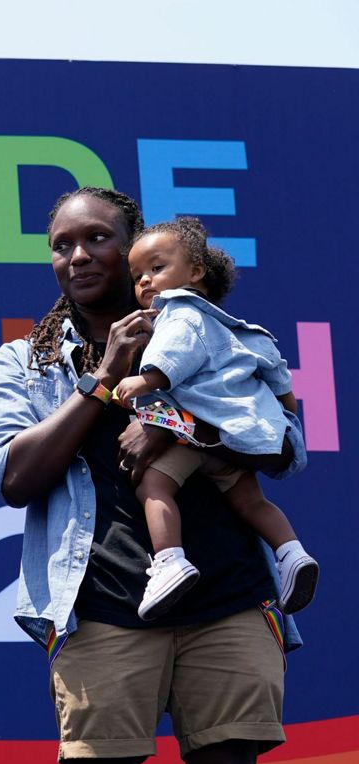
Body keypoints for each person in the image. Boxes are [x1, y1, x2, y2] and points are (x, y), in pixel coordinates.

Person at [0, 187, 305, 764]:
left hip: (228, 600)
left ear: (134, 252)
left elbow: (286, 446)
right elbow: (14, 479)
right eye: (62, 245)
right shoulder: (26, 361)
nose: (78, 256)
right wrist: (105, 377)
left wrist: (188, 430)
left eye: (98, 238)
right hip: (104, 607)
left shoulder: (211, 335)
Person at [113, 216, 318, 619]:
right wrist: (287, 410)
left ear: (195, 271)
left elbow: (176, 354)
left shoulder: (179, 313)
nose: (145, 283)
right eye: (137, 276)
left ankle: (170, 560)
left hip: (199, 429)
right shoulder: (235, 328)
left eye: (157, 268)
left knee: (153, 485)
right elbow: (277, 373)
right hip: (240, 434)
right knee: (250, 500)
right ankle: (291, 552)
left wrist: (145, 380)